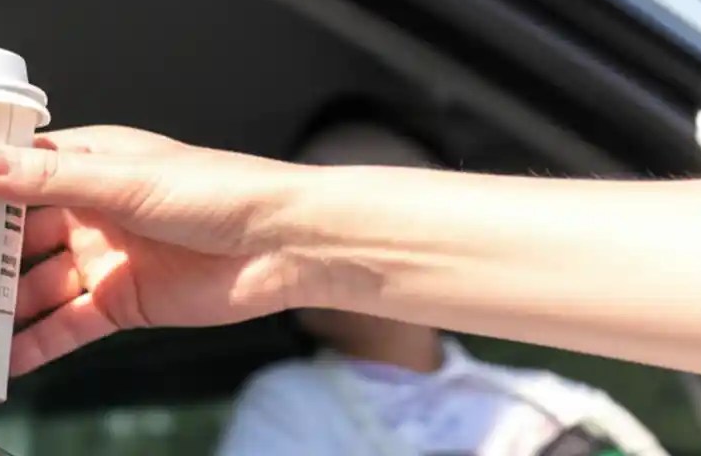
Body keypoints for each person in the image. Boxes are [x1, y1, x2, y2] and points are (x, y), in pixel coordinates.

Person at [0, 125, 701, 383]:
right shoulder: (292, 415)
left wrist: (287, 231)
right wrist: (287, 239)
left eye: (405, 189)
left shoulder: (562, 415)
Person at [214, 120, 664, 455]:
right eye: (304, 221)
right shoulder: (288, 403)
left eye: (371, 209)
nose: (327, 237)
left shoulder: (560, 407)